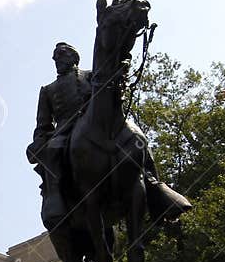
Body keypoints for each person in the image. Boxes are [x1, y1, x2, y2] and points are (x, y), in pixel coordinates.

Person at [26, 41, 191, 231]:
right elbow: (43, 124)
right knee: (53, 150)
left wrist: (121, 67)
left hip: (99, 122)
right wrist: (40, 141)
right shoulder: (47, 90)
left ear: (74, 58)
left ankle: (154, 185)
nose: (57, 59)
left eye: (62, 54)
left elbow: (110, 87)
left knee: (139, 140)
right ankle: (54, 198)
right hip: (65, 130)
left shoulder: (92, 75)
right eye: (55, 57)